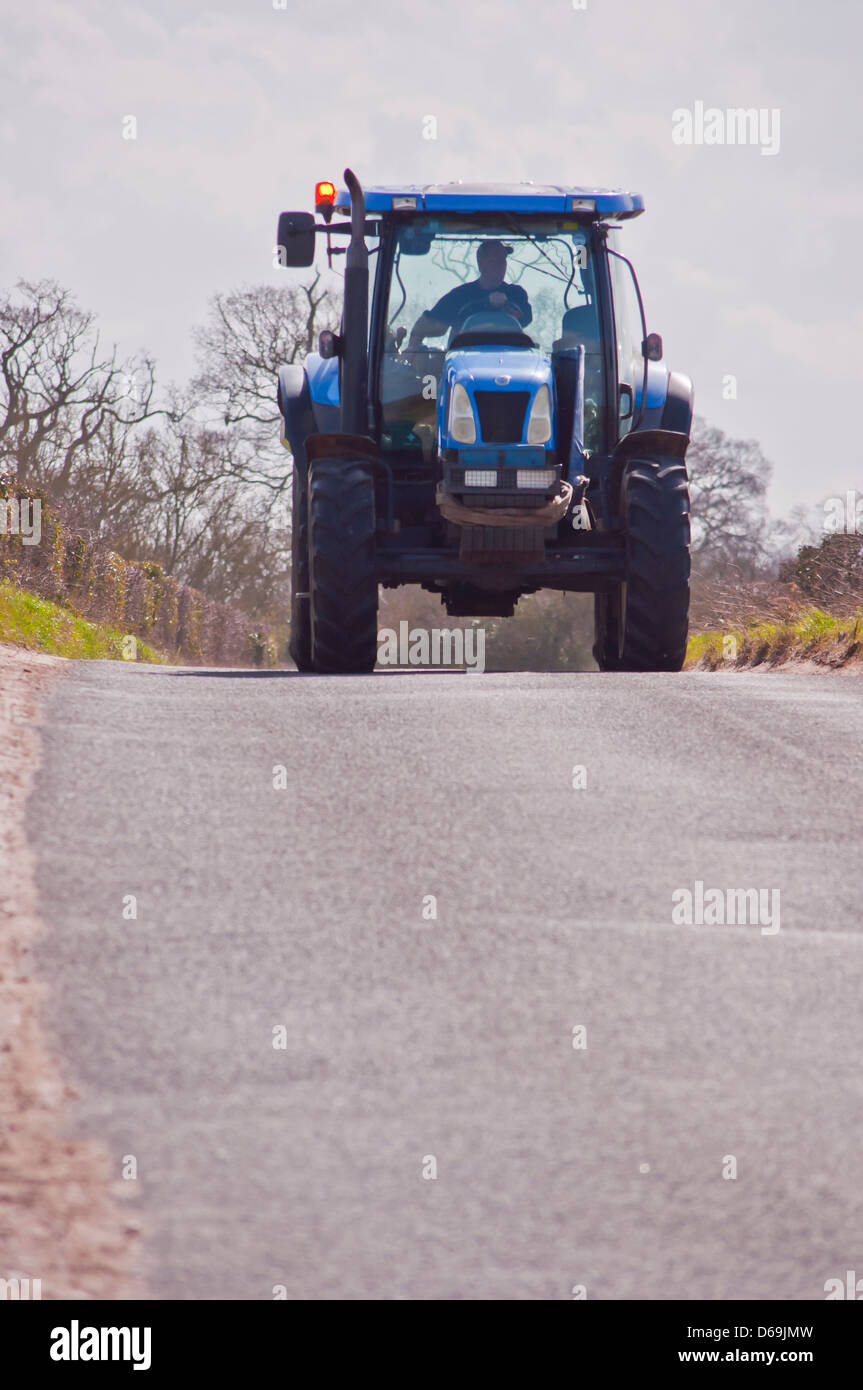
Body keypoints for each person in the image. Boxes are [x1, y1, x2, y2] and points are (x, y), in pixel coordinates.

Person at [408, 240, 532, 347]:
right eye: (495, 261)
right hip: (464, 361)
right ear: (481, 263)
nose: (501, 265)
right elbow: (421, 329)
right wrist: (414, 355)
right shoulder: (460, 296)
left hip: (511, 362)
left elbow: (526, 318)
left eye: (503, 260)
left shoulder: (516, 294)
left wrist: (507, 307)